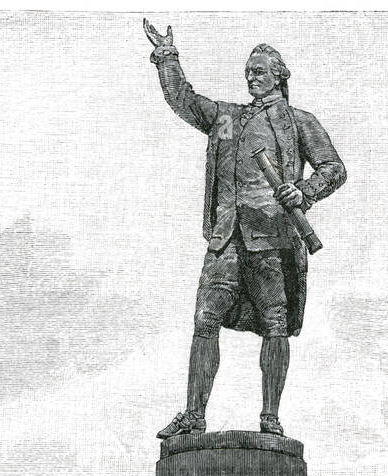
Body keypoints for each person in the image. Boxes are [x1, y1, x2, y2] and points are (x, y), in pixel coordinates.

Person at [145, 21, 346, 438]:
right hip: (227, 237)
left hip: (273, 238)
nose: (251, 77)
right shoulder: (225, 118)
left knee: (275, 326)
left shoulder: (297, 121)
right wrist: (167, 56)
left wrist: (304, 191)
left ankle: (270, 418)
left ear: (279, 76)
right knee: (205, 319)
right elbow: (183, 100)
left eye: (259, 70)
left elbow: (334, 168)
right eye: (248, 71)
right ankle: (194, 415)